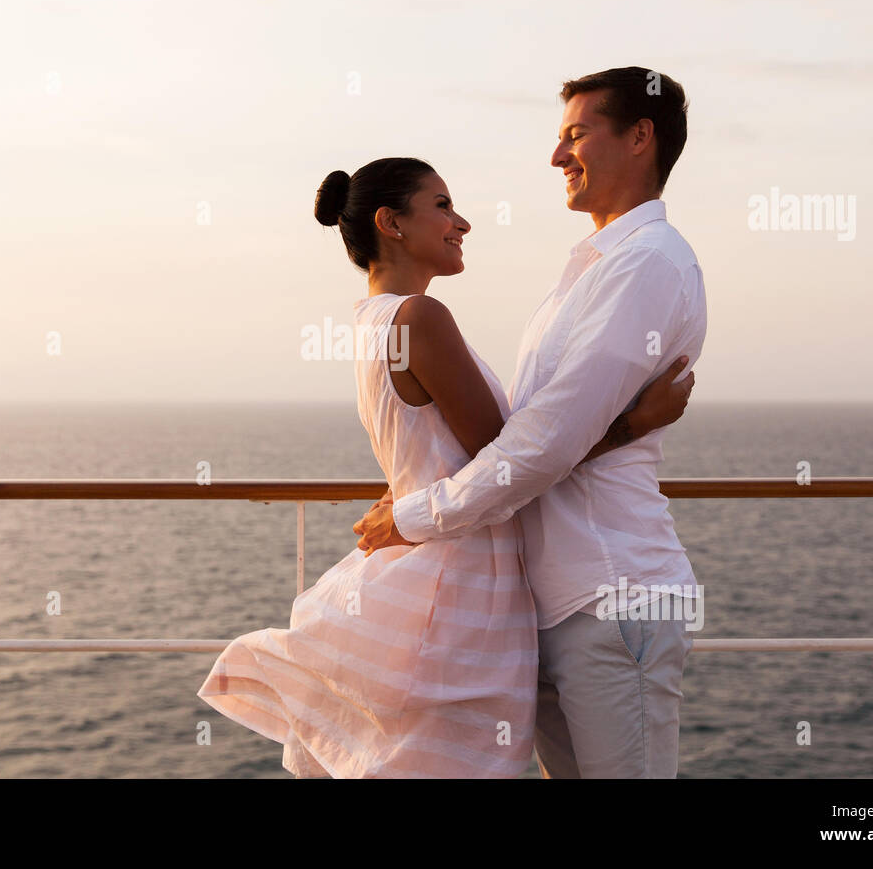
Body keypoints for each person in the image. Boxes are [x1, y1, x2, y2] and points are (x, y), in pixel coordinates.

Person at [198, 151, 694, 777]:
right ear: (392, 224)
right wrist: (632, 424)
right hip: (462, 581)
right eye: (442, 207)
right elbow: (510, 459)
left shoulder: (372, 323)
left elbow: (440, 449)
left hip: (428, 567)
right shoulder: (420, 318)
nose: (461, 223)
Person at [354, 68, 706, 779]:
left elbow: (543, 444)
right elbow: (531, 437)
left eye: (575, 135)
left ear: (640, 139)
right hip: (555, 604)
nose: (557, 157)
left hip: (613, 594)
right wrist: (630, 426)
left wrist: (417, 513)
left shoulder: (648, 264)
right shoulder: (589, 270)